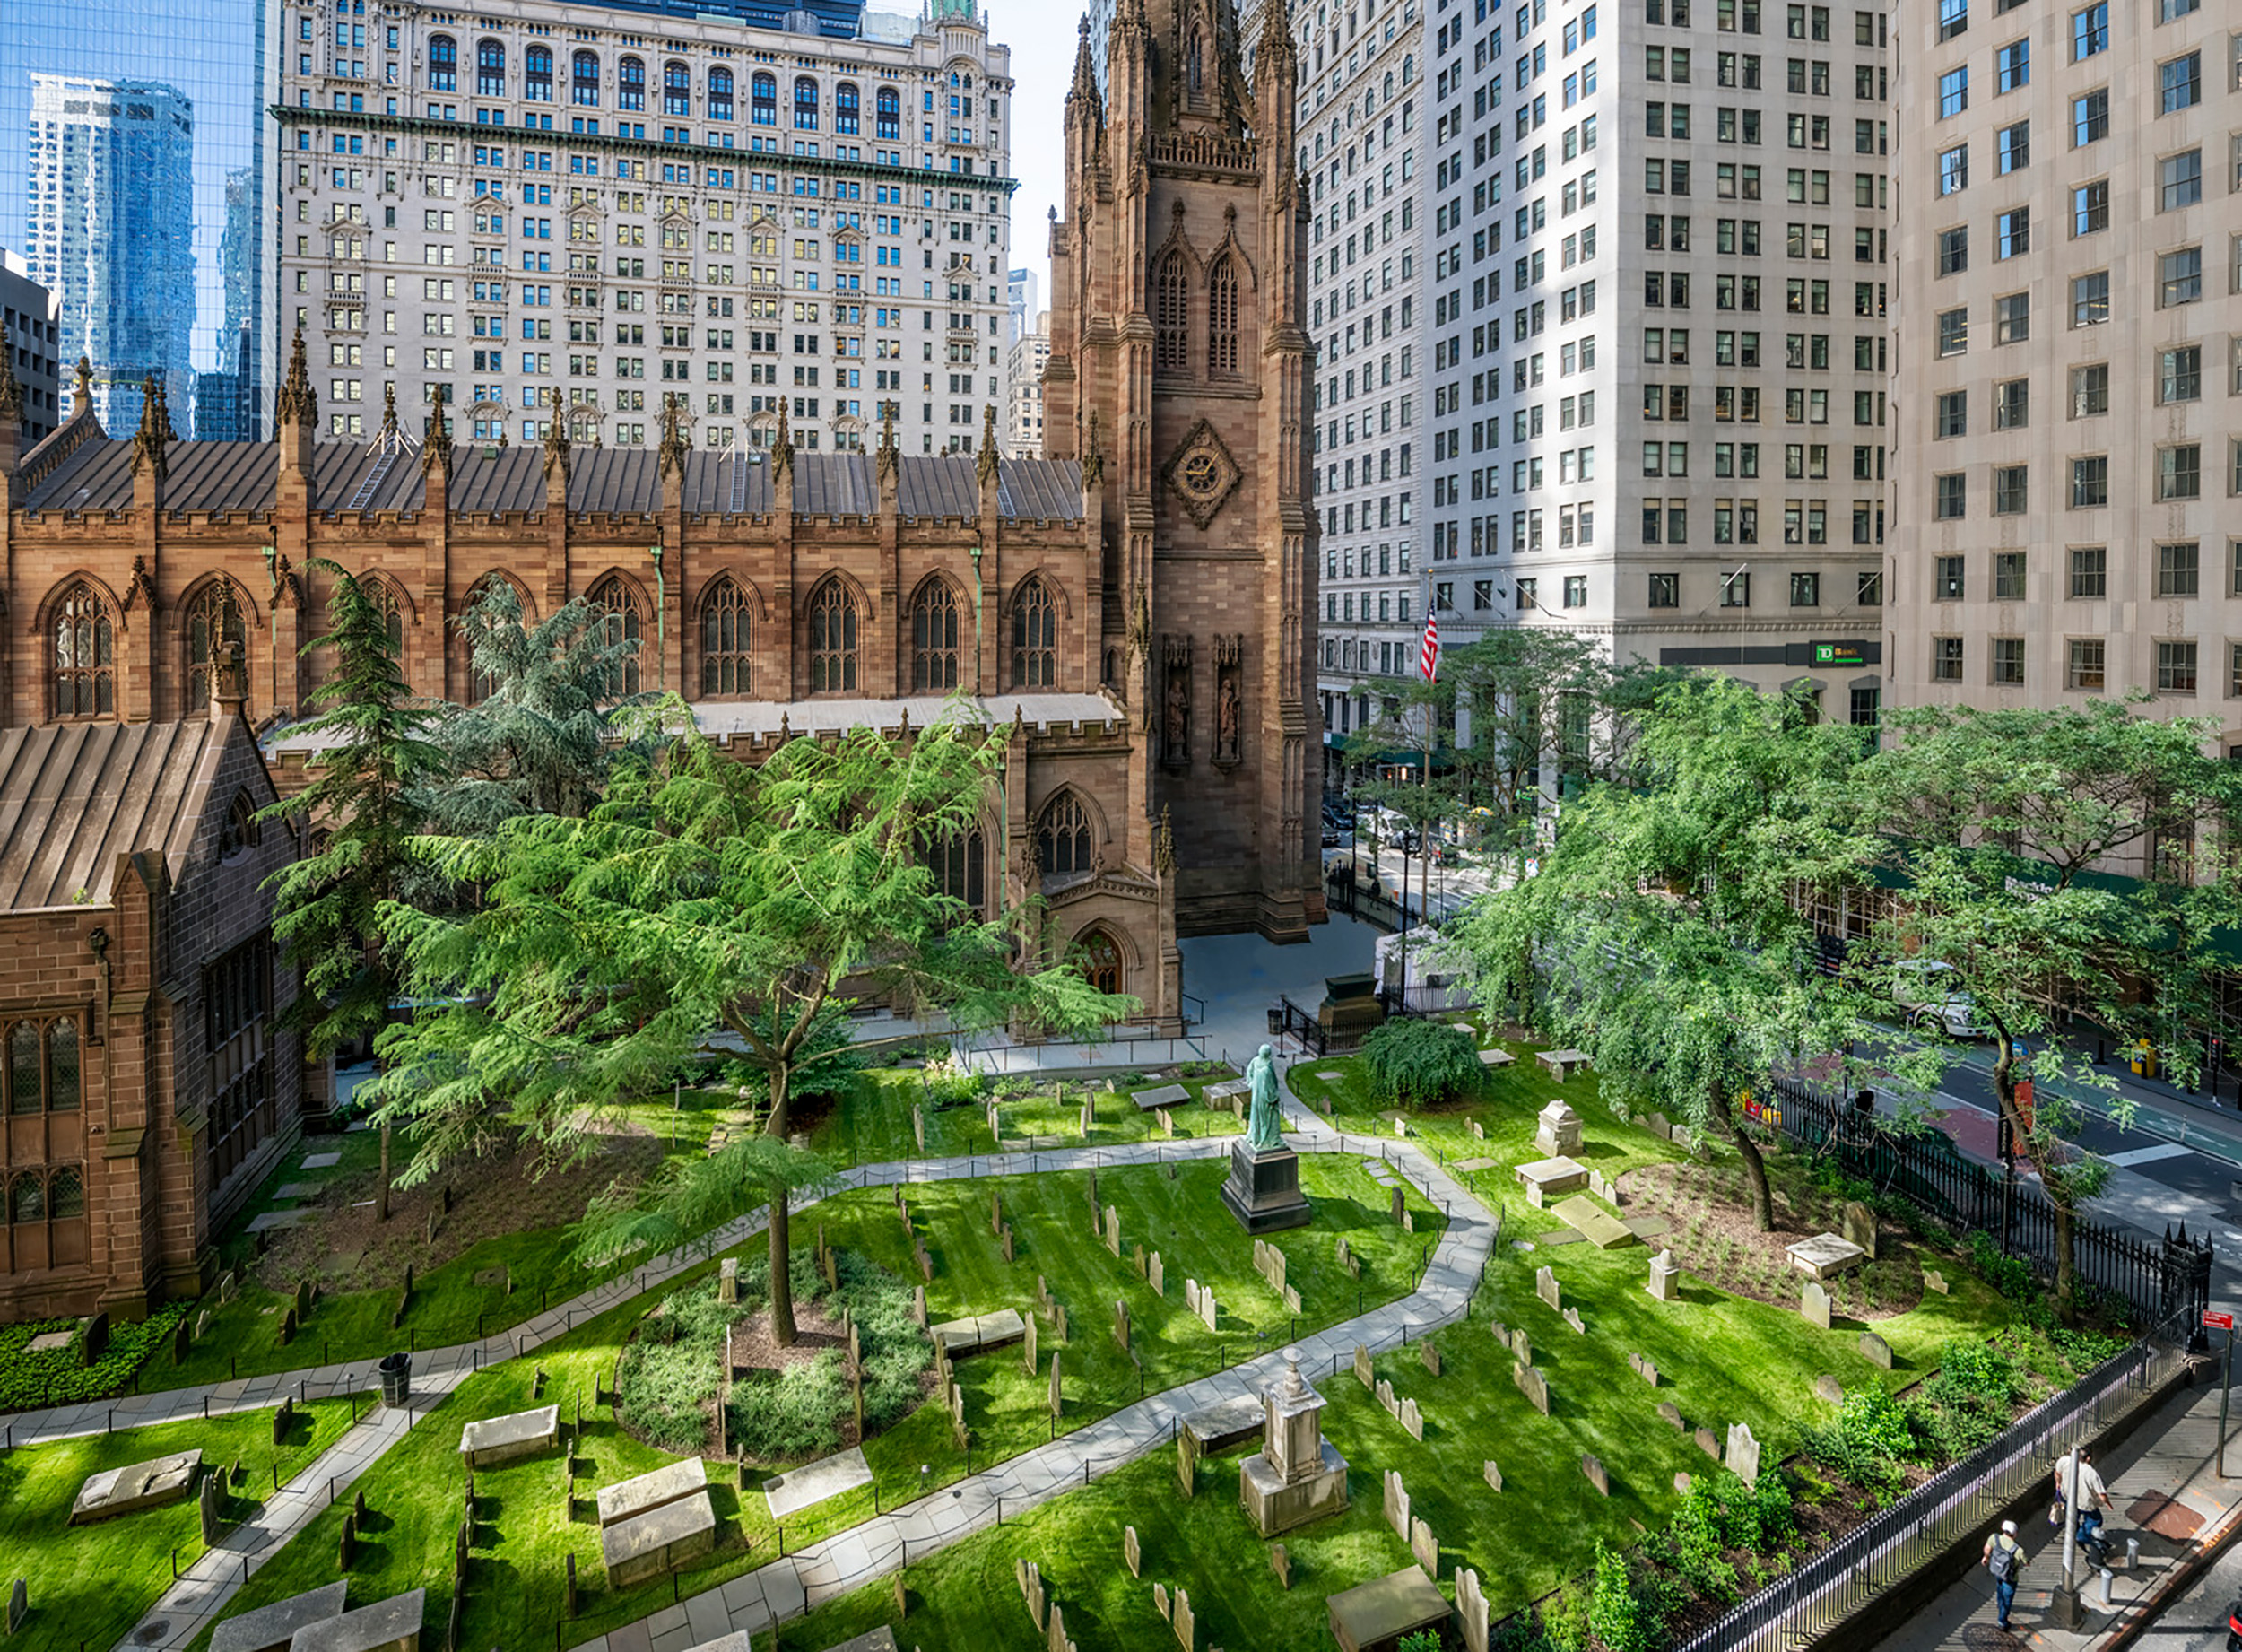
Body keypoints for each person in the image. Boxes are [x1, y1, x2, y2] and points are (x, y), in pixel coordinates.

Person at [2053, 1445, 2111, 1563]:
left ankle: (2075, 1531)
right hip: (2086, 1502)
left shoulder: (2063, 1461)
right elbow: (2101, 1494)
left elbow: (2057, 1473)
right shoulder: (2090, 1472)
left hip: (2068, 1495)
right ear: (2088, 1459)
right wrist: (2108, 1504)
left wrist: (2058, 1484)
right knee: (2095, 1520)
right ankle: (2081, 1536)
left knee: (2073, 1517)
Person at [1982, 1519, 2025, 1629]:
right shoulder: (2018, 1550)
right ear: (2015, 1534)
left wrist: (1986, 1558)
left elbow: (1987, 1549)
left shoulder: (1994, 1538)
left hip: (1997, 1570)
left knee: (1999, 1587)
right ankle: (2002, 1621)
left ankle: (2000, 1605)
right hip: (2010, 1577)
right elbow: (2026, 1561)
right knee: (2007, 1598)